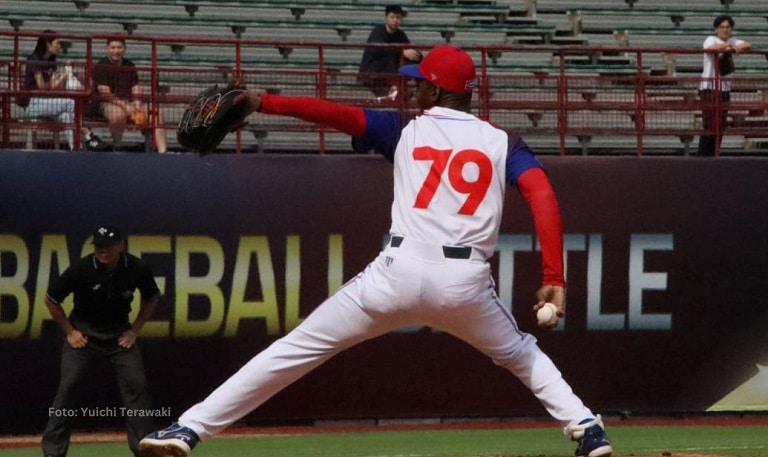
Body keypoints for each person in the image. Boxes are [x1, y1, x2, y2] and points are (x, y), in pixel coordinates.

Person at [138, 45, 613, 457]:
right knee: (520, 351)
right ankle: (588, 429)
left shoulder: (403, 127)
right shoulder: (501, 141)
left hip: (397, 273)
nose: (412, 92)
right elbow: (541, 193)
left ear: (436, 91)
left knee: (297, 348)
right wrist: (555, 274)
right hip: (464, 283)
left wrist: (264, 101)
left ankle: (189, 428)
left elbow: (333, 113)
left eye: (418, 85)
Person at [42, 225, 161, 457]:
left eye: (107, 246)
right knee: (67, 388)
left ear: (120, 246)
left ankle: (145, 450)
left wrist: (134, 330)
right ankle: (53, 453)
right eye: (98, 246)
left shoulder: (137, 268)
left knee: (137, 386)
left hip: (119, 337)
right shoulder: (81, 269)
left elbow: (151, 298)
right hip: (83, 336)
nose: (102, 250)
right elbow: (51, 299)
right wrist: (69, 331)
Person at [91, 37, 167, 153]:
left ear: (124, 49)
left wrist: (137, 104)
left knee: (157, 114)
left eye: (119, 47)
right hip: (108, 103)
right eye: (113, 48)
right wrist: (125, 106)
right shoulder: (101, 66)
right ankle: (117, 146)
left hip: (130, 102)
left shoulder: (129, 64)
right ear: (107, 49)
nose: (116, 51)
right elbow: (104, 93)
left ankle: (163, 152)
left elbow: (135, 87)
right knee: (117, 115)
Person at [696, 15, 751, 156]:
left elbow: (747, 44)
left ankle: (715, 153)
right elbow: (710, 48)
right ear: (716, 29)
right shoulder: (711, 39)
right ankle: (703, 156)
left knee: (721, 124)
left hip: (724, 89)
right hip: (709, 88)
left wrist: (735, 46)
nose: (725, 30)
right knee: (709, 124)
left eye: (728, 27)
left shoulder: (732, 41)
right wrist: (728, 46)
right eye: (722, 27)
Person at [19, 30, 75, 150]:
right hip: (33, 102)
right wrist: (61, 77)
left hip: (47, 101)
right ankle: (86, 133)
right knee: (71, 103)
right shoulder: (34, 59)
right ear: (48, 44)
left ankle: (76, 148)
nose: (60, 46)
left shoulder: (52, 61)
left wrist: (62, 77)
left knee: (65, 116)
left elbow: (53, 85)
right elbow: (42, 87)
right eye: (57, 43)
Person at [358, 4, 421, 100]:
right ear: (386, 18)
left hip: (391, 71)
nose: (395, 20)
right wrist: (401, 52)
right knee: (389, 58)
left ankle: (417, 89)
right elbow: (380, 50)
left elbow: (409, 49)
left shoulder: (400, 34)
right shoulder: (378, 32)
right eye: (392, 17)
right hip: (373, 71)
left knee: (414, 59)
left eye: (398, 17)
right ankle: (394, 89)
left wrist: (416, 55)